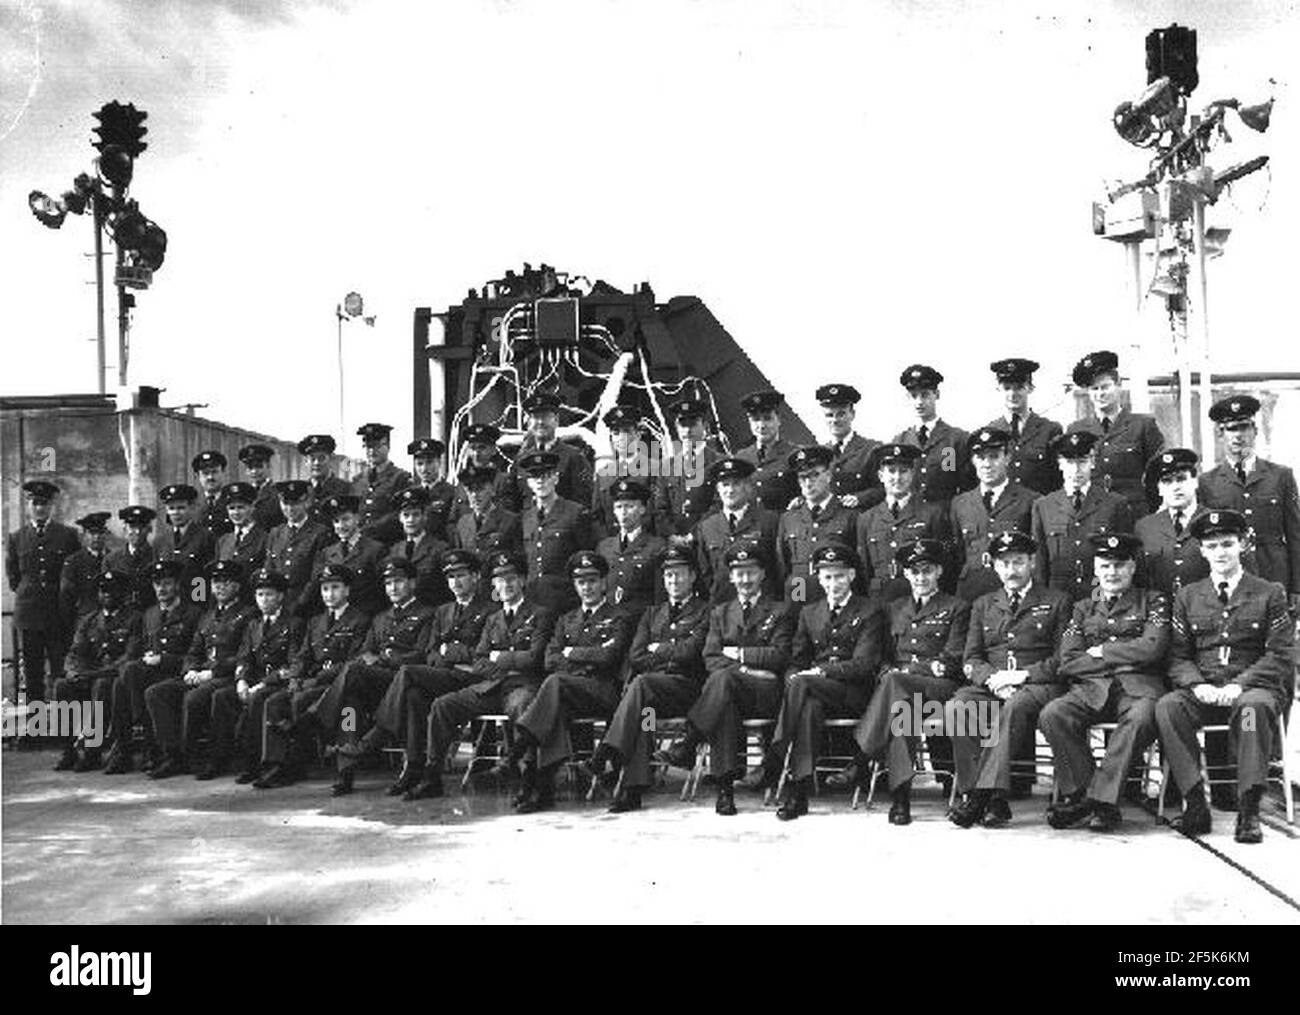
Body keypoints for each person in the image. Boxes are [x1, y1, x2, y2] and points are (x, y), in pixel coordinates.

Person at [1155, 509, 1296, 844]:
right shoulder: (1188, 596)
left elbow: (1281, 654)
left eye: (1227, 544)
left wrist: (1239, 685)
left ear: (1243, 545)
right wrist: (1197, 685)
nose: (1220, 552)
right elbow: (1177, 655)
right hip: (1202, 691)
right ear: (1201, 551)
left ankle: (1248, 810)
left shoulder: (1269, 593)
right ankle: (1195, 803)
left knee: (1251, 713)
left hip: (1252, 692)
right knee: (1168, 708)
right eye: (1212, 545)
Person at [833, 538, 971, 824]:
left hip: (941, 691)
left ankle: (861, 757)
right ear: (906, 574)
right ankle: (901, 800)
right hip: (901, 694)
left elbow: (952, 660)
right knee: (902, 712)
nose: (921, 578)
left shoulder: (958, 607)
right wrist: (890, 672)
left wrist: (906, 672)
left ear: (939, 573)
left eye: (928, 571)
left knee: (897, 684)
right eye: (915, 572)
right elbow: (882, 657)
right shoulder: (894, 608)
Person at [1038, 533, 1170, 832]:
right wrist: (1125, 654)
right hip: (1090, 688)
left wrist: (1101, 651)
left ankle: (1097, 803)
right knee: (1053, 714)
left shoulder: (1154, 600)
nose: (1112, 572)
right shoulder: (1083, 608)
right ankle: (1091, 797)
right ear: (1096, 569)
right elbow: (1069, 658)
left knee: (1139, 718)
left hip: (1138, 689)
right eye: (1105, 566)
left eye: (1120, 565)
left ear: (1133, 567)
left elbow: (1152, 649)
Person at [655, 544, 797, 816]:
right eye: (739, 574)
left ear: (763, 574)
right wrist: (745, 668)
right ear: (731, 577)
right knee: (723, 703)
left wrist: (739, 654)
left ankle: (690, 738)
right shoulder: (720, 613)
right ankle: (725, 791)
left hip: (765, 693)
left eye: (750, 573)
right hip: (733, 688)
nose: (745, 580)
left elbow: (779, 656)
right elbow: (710, 657)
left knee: (722, 682)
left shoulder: (780, 610)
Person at [339, 550, 494, 796]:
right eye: (451, 577)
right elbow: (432, 652)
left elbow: (473, 655)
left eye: (461, 575)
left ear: (476, 577)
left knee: (393, 674)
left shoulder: (487, 610)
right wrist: (446, 654)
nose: (455, 582)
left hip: (462, 678)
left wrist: (448, 652)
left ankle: (367, 740)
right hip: (425, 679)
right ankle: (400, 768)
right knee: (374, 696)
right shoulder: (440, 611)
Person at [748, 543, 885, 821]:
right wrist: (795, 677)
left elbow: (864, 665)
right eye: (826, 577)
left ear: (851, 576)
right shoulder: (810, 612)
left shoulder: (870, 611)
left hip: (854, 694)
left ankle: (775, 756)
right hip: (813, 693)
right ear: (819, 580)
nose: (833, 584)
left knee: (802, 686)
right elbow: (796, 662)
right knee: (807, 705)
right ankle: (799, 792)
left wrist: (819, 672)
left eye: (839, 576)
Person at [404, 551, 556, 801]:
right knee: (443, 705)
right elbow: (479, 659)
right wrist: (505, 662)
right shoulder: (494, 618)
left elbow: (535, 659)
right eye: (500, 581)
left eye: (511, 579)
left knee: (522, 707)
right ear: (493, 584)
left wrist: (499, 658)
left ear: (522, 581)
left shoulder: (540, 614)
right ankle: (432, 775)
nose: (506, 586)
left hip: (522, 686)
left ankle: (528, 779)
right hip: (492, 687)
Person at [946, 530, 1073, 828]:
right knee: (957, 708)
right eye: (1004, 564)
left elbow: (1064, 659)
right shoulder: (983, 604)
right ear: (994, 566)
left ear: (1032, 562)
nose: (1011, 570)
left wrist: (1022, 675)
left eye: (1018, 562)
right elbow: (972, 658)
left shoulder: (1058, 601)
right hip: (994, 685)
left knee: (1015, 705)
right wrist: (992, 680)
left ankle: (984, 795)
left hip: (1040, 686)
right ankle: (987, 799)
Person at [499, 551, 634, 814]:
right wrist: (585, 656)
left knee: (555, 683)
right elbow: (550, 659)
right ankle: (544, 786)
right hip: (569, 692)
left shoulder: (620, 616)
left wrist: (571, 653)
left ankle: (520, 749)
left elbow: (609, 657)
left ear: (604, 582)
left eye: (593, 581)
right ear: (574, 585)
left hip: (604, 692)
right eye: (581, 582)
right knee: (554, 708)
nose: (587, 587)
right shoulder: (566, 619)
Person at [590, 545, 711, 813]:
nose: (674, 581)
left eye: (679, 575)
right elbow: (636, 656)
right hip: (652, 697)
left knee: (641, 685)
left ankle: (609, 750)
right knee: (644, 714)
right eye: (669, 577)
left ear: (692, 577)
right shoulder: (652, 613)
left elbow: (691, 654)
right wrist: (669, 654)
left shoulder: (706, 611)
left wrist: (658, 651)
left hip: (687, 691)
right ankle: (632, 790)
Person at [301, 558, 436, 795]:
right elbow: (366, 651)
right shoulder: (380, 618)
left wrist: (384, 658)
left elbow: (422, 655)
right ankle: (346, 769)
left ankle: (318, 714)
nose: (393, 588)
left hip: (405, 678)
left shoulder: (427, 613)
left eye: (399, 582)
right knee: (350, 703)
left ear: (412, 583)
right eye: (388, 583)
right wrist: (374, 658)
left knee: (354, 673)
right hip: (379, 683)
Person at [246, 564, 369, 787]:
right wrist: (294, 679)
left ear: (347, 590)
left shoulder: (360, 619)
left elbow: (354, 662)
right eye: (325, 589)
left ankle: (332, 769)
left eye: (335, 588)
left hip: (338, 683)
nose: (329, 594)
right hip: (310, 682)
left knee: (325, 703)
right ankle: (276, 765)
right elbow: (302, 657)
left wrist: (313, 681)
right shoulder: (316, 622)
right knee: (275, 701)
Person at [144, 560, 257, 780]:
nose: (219, 587)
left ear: (237, 586)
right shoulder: (208, 615)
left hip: (227, 676)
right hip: (202, 674)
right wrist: (190, 670)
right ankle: (172, 755)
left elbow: (245, 655)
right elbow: (194, 651)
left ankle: (209, 757)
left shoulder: (248, 614)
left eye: (225, 582)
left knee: (196, 698)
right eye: (216, 582)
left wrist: (212, 673)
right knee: (157, 692)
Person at [1197, 394, 1300, 610]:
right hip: (1231, 577)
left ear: (1255, 431)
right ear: (1220, 434)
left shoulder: (1281, 476)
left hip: (1275, 574)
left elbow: (1295, 535)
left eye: (1244, 427)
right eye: (1231, 429)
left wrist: (1297, 587)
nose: (1238, 436)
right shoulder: (1207, 483)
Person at [101, 560, 202, 774]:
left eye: (166, 584)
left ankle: (153, 747)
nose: (161, 589)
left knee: (133, 680)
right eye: (157, 585)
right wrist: (148, 656)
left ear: (176, 585)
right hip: (149, 673)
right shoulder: (150, 614)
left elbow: (194, 655)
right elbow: (143, 647)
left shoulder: (193, 613)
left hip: (176, 673)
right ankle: (125, 751)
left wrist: (163, 660)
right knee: (121, 683)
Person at [51, 570, 141, 772]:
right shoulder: (89, 620)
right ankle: (69, 751)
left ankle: (92, 751)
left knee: (101, 686)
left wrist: (90, 674)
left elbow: (128, 657)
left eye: (113, 590)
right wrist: (72, 671)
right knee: (62, 686)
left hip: (111, 678)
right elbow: (75, 652)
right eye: (103, 590)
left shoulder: (134, 619)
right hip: (88, 675)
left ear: (124, 593)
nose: (107, 594)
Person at [1030, 431, 1133, 602]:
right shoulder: (1043, 506)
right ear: (1059, 464)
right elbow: (1040, 563)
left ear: (1092, 462)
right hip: (1058, 598)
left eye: (1082, 462)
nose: (1076, 470)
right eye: (1070, 462)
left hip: (1100, 596)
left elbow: (1127, 558)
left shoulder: (1115, 504)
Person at [227, 569, 305, 787]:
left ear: (280, 596)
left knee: (261, 699)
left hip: (279, 682)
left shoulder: (294, 623)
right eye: (260, 595)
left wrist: (263, 683)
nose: (264, 600)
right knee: (224, 697)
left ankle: (272, 765)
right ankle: (247, 762)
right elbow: (244, 657)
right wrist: (241, 680)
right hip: (255, 682)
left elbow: (293, 664)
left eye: (269, 594)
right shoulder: (253, 625)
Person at [7, 481, 84, 699]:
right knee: (32, 672)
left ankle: (61, 725)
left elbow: (74, 572)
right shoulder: (17, 537)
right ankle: (36, 726)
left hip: (58, 615)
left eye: (44, 503)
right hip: (29, 615)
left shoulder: (68, 535)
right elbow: (14, 577)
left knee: (60, 670)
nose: (39, 508)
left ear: (52, 505)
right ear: (28, 504)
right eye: (35, 503)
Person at [1066, 350, 1165, 519]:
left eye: (1105, 387)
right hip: (1093, 516)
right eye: (1094, 389)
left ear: (1119, 385)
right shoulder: (1076, 429)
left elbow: (1158, 475)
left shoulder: (1142, 425)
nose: (1100, 394)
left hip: (1134, 515)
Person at [949, 427, 1036, 601]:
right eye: (981, 457)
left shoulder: (1030, 500)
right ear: (973, 461)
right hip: (971, 591)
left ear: (1007, 458)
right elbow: (958, 553)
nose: (987, 464)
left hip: (1013, 589)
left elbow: (1035, 554)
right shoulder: (960, 503)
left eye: (994, 457)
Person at [855, 443, 950, 602]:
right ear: (880, 475)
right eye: (891, 471)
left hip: (918, 599)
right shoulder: (866, 519)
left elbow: (945, 566)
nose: (897, 478)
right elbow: (863, 571)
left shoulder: (932, 514)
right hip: (880, 601)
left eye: (903, 471)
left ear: (912, 474)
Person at [776, 445, 859, 605]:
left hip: (835, 595)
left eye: (814, 476)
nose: (808, 483)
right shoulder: (789, 518)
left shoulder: (849, 515)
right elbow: (783, 566)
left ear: (828, 475)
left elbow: (858, 566)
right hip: (799, 591)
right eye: (802, 477)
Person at [693, 457, 780, 604]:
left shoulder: (769, 521)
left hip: (763, 608)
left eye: (736, 484)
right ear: (718, 489)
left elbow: (779, 568)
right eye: (725, 485)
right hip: (722, 609)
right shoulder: (707, 527)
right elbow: (704, 574)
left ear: (747, 486)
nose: (730, 490)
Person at [518, 450, 595, 613]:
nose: (540, 482)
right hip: (533, 601)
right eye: (534, 477)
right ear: (529, 483)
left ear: (556, 478)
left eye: (545, 475)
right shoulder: (526, 518)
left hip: (565, 601)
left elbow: (586, 555)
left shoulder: (575, 513)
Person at [1135, 448, 1211, 597]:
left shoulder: (1212, 521)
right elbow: (1140, 580)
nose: (1176, 487)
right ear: (1159, 489)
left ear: (1195, 482)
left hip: (1204, 612)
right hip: (1159, 612)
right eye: (1167, 481)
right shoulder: (1145, 528)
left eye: (1181, 479)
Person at [892, 364, 971, 507]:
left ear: (937, 394)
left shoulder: (957, 439)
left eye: (925, 395)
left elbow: (968, 487)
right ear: (907, 398)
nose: (919, 402)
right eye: (914, 396)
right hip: (911, 518)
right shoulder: (900, 441)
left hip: (945, 518)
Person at [984, 358, 1063, 495]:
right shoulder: (991, 432)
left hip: (1039, 510)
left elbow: (1058, 480)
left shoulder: (1050, 430)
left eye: (1019, 387)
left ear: (1030, 388)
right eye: (1007, 388)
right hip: (1004, 512)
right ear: (998, 389)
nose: (1012, 394)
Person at [653, 397, 724, 542]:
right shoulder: (667, 467)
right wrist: (672, 535)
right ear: (676, 427)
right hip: (674, 543)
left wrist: (695, 535)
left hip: (709, 538)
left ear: (704, 425)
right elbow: (660, 508)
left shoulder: (719, 462)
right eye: (682, 424)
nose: (687, 430)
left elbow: (719, 504)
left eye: (693, 424)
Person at [510, 391, 594, 510]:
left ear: (556, 420)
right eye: (536, 417)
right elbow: (512, 503)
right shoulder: (521, 459)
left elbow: (584, 502)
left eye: (545, 416)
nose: (540, 422)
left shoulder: (574, 457)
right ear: (529, 423)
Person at [596, 478, 666, 617]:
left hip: (641, 621)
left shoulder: (656, 547)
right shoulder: (604, 547)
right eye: (619, 507)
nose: (623, 513)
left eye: (629, 506)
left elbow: (660, 597)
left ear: (642, 509)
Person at [264, 479, 333, 618]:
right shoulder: (275, 533)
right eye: (285, 504)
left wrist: (300, 603)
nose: (290, 509)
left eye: (295, 503)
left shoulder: (320, 533)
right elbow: (269, 569)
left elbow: (316, 575)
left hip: (306, 608)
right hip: (277, 606)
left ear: (306, 503)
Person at [312, 494, 388, 618]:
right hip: (338, 620)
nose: (341, 526)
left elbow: (382, 592)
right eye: (336, 521)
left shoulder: (375, 550)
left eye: (346, 519)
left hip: (366, 617)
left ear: (357, 518)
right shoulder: (328, 552)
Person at [449, 464, 522, 586]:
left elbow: (518, 562)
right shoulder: (463, 523)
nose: (475, 495)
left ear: (492, 490)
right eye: (470, 490)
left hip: (499, 588)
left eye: (480, 489)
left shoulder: (510, 521)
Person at [591, 404, 655, 540]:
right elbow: (596, 516)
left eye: (627, 431)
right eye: (616, 433)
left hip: (646, 545)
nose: (621, 438)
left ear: (638, 435)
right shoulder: (604, 474)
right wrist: (607, 544)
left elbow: (657, 512)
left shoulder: (655, 469)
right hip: (611, 548)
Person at [816, 383, 883, 509]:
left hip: (861, 520)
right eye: (829, 415)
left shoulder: (871, 449)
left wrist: (860, 498)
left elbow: (884, 488)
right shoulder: (820, 454)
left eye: (841, 414)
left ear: (852, 414)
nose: (835, 420)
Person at [735, 390, 798, 512]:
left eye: (767, 418)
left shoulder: (794, 455)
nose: (761, 425)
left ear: (779, 420)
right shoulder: (741, 457)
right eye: (756, 419)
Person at [352, 422, 414, 545]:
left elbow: (400, 513)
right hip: (361, 545)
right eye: (368, 446)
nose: (371, 451)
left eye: (377, 446)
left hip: (387, 542)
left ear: (388, 447)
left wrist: (369, 530)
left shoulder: (401, 477)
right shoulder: (358, 480)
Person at [154, 483, 216, 592]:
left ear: (191, 508)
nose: (176, 513)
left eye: (181, 508)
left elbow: (206, 577)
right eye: (171, 508)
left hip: (195, 600)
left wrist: (199, 603)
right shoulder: (160, 541)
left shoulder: (205, 537)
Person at [451, 423, 519, 517]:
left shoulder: (504, 482)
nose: (476, 454)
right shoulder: (462, 483)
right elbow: (453, 518)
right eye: (473, 448)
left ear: (493, 450)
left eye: (482, 448)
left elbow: (508, 519)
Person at [59, 511, 112, 624]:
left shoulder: (113, 559)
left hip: (111, 621)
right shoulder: (74, 562)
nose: (96, 537)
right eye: (92, 533)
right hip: (84, 621)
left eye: (100, 532)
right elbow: (66, 597)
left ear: (106, 534)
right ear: (84, 534)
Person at [106, 505, 158, 611]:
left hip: (150, 615)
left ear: (149, 529)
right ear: (125, 529)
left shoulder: (157, 556)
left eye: (142, 527)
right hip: (122, 617)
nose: (137, 532)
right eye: (132, 527)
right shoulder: (111, 560)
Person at [408, 437, 457, 543]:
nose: (424, 469)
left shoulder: (451, 493)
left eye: (429, 462)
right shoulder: (410, 494)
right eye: (420, 464)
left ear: (439, 462)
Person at [214, 482, 269, 576]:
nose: (236, 513)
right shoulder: (223, 541)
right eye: (232, 508)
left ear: (252, 508)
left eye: (241, 507)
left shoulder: (264, 539)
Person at [299, 434, 352, 529]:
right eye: (312, 459)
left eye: (321, 458)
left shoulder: (346, 489)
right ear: (306, 462)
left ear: (331, 459)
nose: (316, 463)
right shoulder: (301, 490)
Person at [238, 443, 285, 532]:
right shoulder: (243, 494)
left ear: (268, 466)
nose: (254, 471)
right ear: (246, 471)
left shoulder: (278, 493)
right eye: (250, 467)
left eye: (259, 466)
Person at [192, 450, 233, 538]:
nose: (210, 477)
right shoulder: (192, 505)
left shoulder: (233, 501)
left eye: (214, 472)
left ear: (223, 472)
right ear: (197, 476)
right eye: (205, 473)